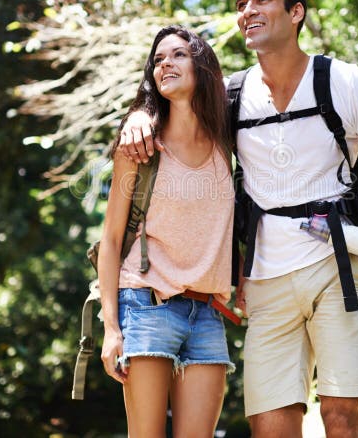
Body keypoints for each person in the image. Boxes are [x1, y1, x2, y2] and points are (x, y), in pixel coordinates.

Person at [119, 0, 358, 438]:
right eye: (241, 4)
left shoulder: (345, 83)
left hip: (337, 264)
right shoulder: (230, 95)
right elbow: (174, 101)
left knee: (342, 416)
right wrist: (140, 115)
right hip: (265, 278)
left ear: (296, 12)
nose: (248, 10)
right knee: (271, 427)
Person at [97, 25, 237, 438]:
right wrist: (110, 328)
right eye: (158, 60)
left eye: (178, 55)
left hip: (208, 312)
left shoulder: (227, 139)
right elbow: (111, 240)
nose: (165, 64)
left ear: (202, 66)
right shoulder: (139, 148)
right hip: (146, 304)